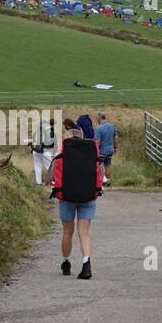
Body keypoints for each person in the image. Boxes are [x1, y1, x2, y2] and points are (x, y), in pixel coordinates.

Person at [50, 118, 102, 279]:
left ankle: (66, 263)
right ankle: (86, 263)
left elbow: (52, 176)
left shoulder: (62, 151)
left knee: (67, 231)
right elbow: (100, 174)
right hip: (88, 196)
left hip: (66, 196)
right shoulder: (91, 151)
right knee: (84, 232)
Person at [29, 118, 56, 185]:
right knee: (50, 167)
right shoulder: (50, 131)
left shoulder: (38, 130)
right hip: (46, 151)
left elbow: (34, 139)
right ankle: (54, 182)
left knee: (38, 167)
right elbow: (52, 143)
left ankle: (38, 183)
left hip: (36, 150)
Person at [93, 112, 116, 185]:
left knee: (100, 165)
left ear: (99, 118)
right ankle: (108, 180)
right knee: (108, 165)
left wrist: (95, 150)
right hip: (110, 149)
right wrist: (115, 147)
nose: (96, 120)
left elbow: (97, 141)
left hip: (102, 151)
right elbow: (115, 138)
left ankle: (103, 181)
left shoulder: (99, 128)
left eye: (97, 119)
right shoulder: (112, 126)